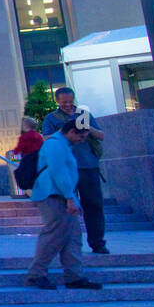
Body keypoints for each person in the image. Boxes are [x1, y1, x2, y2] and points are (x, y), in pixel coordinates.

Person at [26, 116, 102, 290]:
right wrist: (70, 197)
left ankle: (74, 276)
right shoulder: (55, 144)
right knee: (53, 235)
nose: (82, 141)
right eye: (81, 137)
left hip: (61, 195)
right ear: (72, 131)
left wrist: (72, 198)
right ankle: (36, 274)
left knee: (73, 237)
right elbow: (58, 172)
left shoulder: (63, 145)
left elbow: (64, 174)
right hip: (52, 196)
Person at [42, 87, 109, 254]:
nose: (67, 105)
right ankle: (68, 245)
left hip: (88, 166)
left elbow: (101, 135)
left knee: (94, 205)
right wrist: (63, 131)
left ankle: (98, 243)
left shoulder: (83, 115)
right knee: (66, 208)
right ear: (57, 101)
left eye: (70, 101)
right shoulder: (51, 118)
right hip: (64, 169)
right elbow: (45, 139)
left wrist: (88, 128)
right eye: (64, 102)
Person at [10, 116, 45, 194]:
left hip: (28, 158)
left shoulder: (25, 136)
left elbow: (20, 146)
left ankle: (30, 190)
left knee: (24, 173)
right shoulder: (38, 135)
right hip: (38, 157)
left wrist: (14, 152)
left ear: (25, 126)